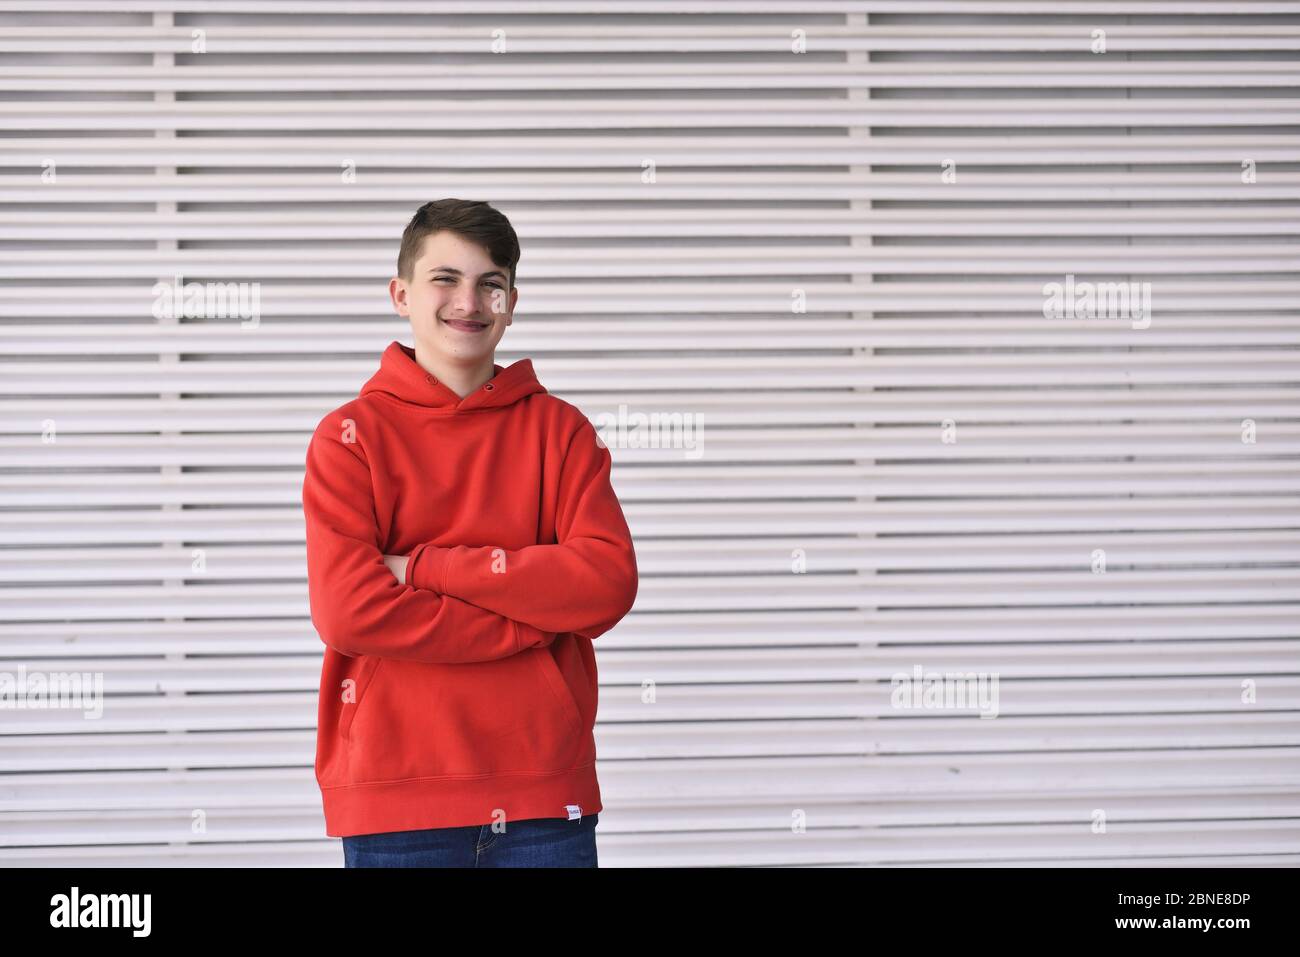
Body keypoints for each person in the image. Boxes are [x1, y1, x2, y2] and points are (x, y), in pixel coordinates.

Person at [301, 199, 638, 867]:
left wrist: (421, 568)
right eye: (445, 278)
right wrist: (533, 619)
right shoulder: (349, 437)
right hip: (397, 797)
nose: (469, 300)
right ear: (401, 295)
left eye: (491, 282)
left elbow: (603, 584)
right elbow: (349, 611)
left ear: (512, 300)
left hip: (545, 796)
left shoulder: (561, 432)